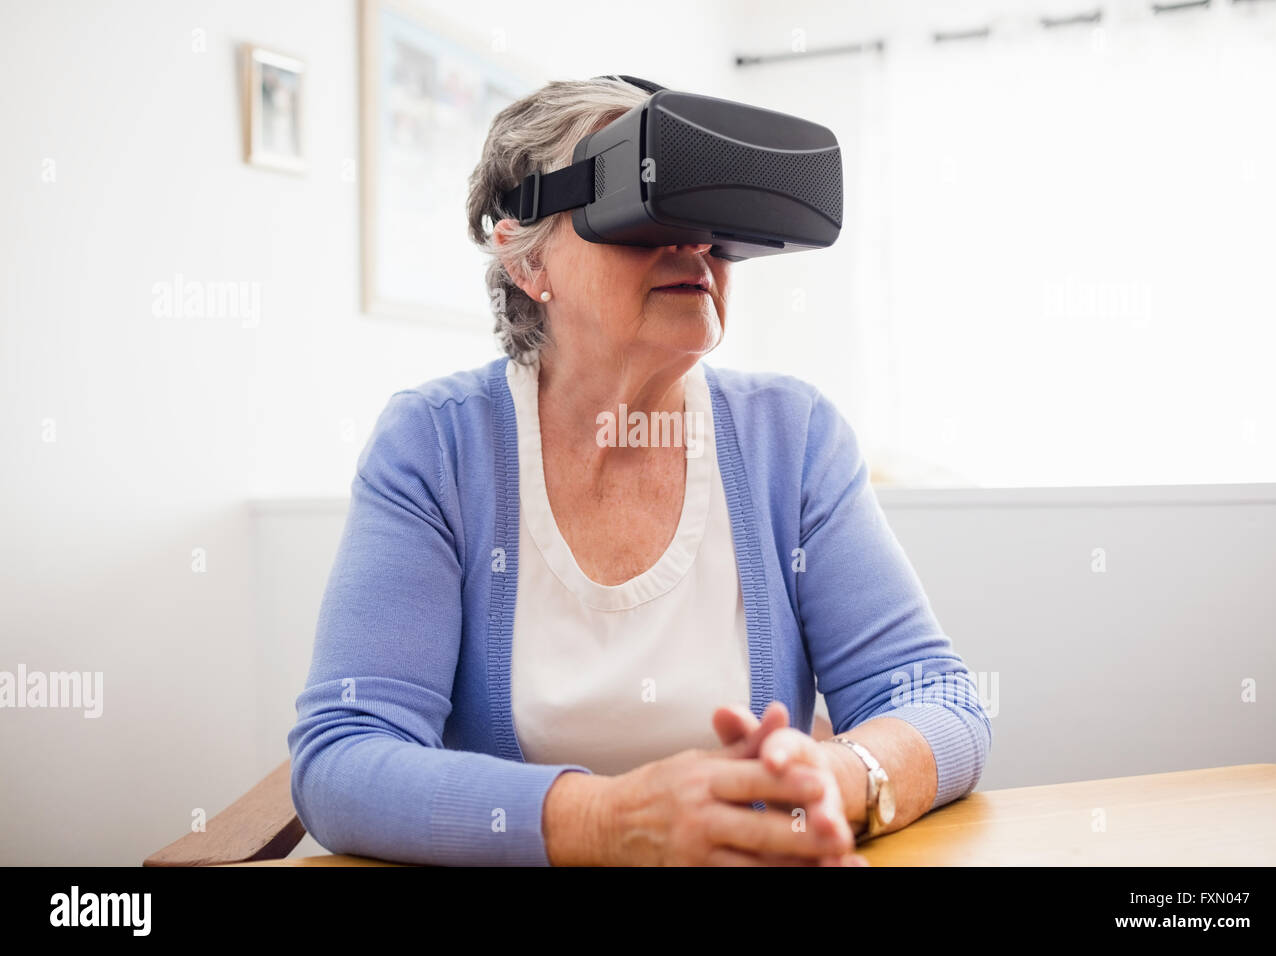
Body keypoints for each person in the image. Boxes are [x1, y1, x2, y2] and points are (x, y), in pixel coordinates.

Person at [287, 76, 991, 865]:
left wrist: (840, 776)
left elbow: (936, 699)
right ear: (526, 259)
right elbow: (344, 756)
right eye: (640, 205)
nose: (693, 245)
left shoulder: (792, 438)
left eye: (711, 222)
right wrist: (606, 821)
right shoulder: (435, 447)